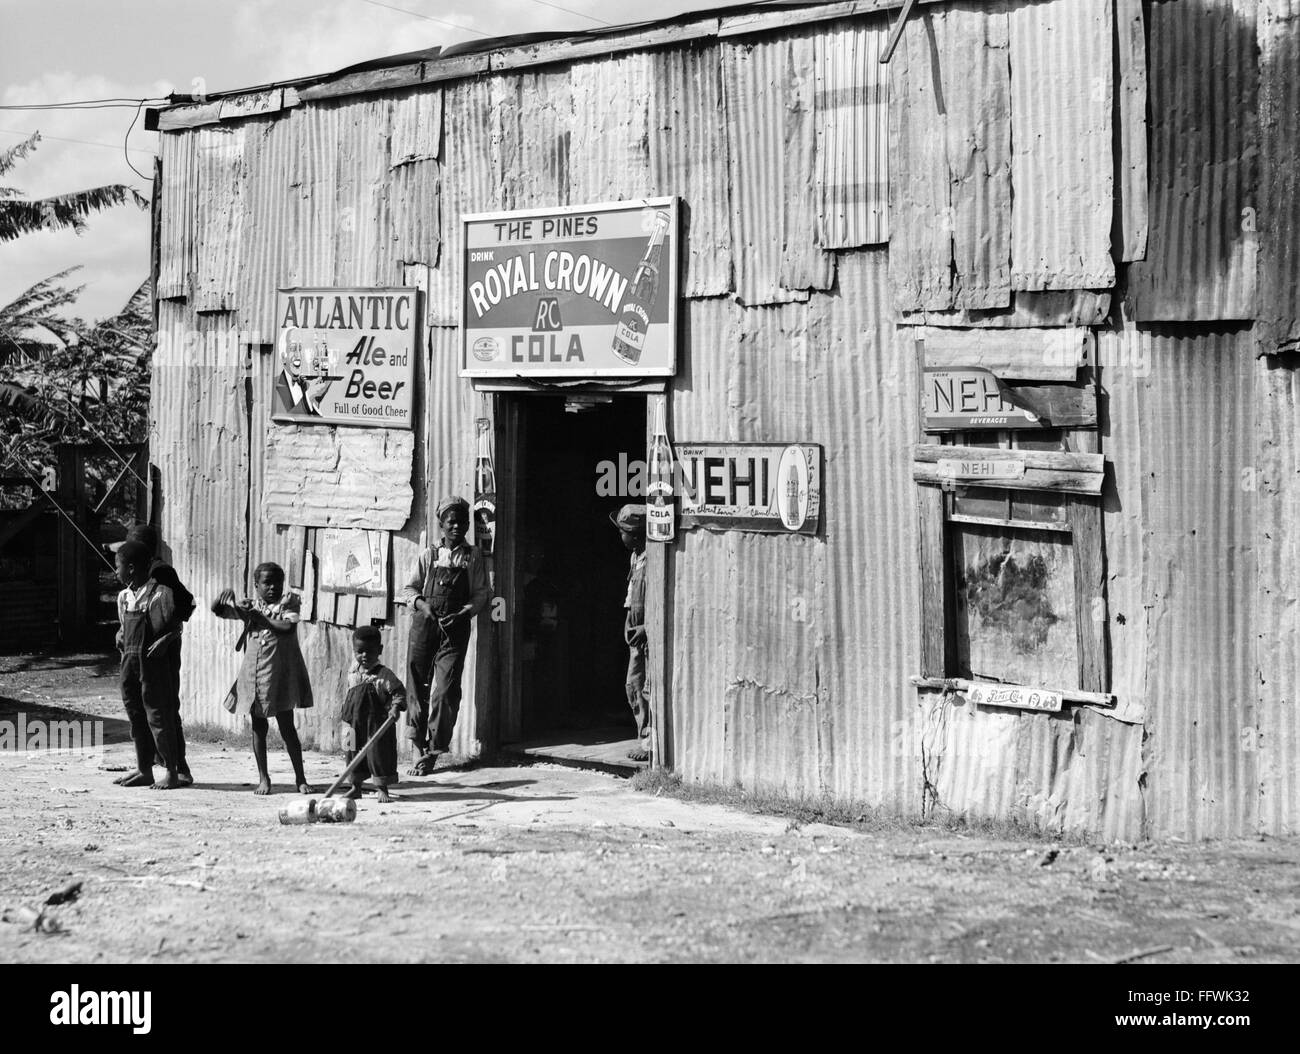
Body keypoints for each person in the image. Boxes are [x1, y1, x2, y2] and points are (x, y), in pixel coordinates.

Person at [400, 496, 490, 776]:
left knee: (446, 690)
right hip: (424, 626)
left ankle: (435, 750)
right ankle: (417, 745)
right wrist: (423, 605)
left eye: (462, 521)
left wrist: (465, 612)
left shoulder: (472, 556)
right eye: (451, 521)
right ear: (441, 524)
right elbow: (409, 590)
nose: (457, 526)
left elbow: (481, 594)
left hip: (455, 629)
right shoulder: (428, 554)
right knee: (417, 685)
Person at [211, 562, 315, 795]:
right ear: (256, 586)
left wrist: (261, 619)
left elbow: (287, 628)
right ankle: (264, 778)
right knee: (258, 726)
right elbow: (219, 611)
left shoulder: (287, 603)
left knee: (287, 726)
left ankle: (300, 777)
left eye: (277, 582)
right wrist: (221, 600)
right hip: (254, 674)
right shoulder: (252, 606)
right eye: (267, 583)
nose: (273, 587)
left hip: (280, 675)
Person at [115, 523, 195, 786]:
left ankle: (176, 768)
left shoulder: (160, 576)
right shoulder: (126, 594)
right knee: (137, 711)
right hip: (133, 657)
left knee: (162, 711)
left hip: (158, 654)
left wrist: (169, 637)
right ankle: (145, 767)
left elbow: (180, 610)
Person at [341, 625, 407, 803]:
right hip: (353, 722)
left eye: (369, 651)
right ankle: (356, 787)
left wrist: (395, 708)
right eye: (359, 651)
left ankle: (381, 788)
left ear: (379, 650)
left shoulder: (384, 674)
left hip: (376, 724)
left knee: (378, 755)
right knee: (352, 753)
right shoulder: (353, 670)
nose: (364, 656)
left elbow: (399, 692)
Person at [610, 504, 652, 762]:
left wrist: (648, 627)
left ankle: (649, 744)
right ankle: (644, 736)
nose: (620, 537)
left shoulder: (653, 559)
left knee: (646, 686)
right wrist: (629, 619)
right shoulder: (636, 557)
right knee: (634, 684)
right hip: (635, 631)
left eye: (622, 532)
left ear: (634, 534)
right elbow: (631, 595)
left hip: (648, 632)